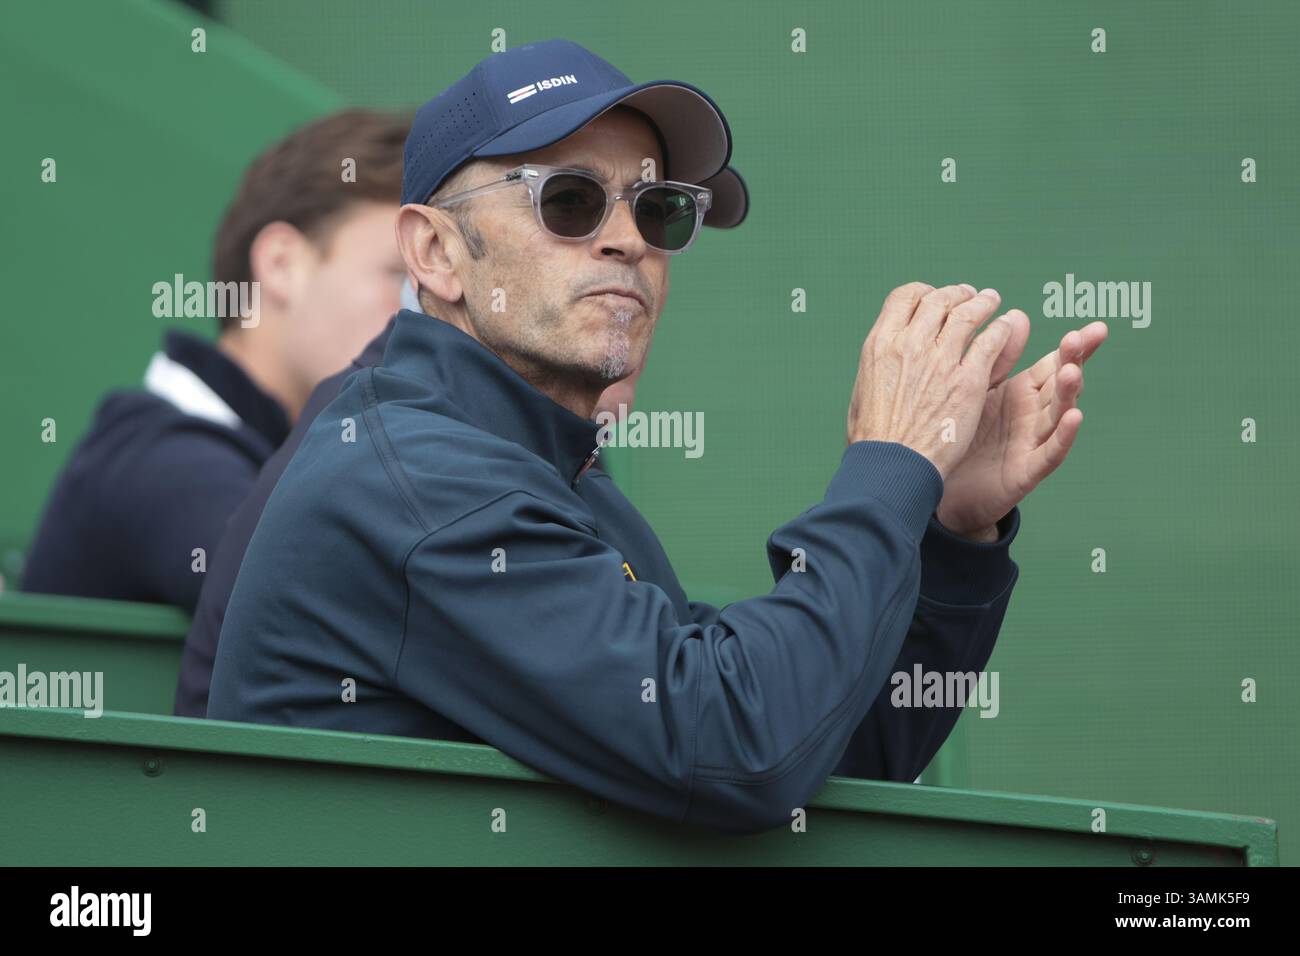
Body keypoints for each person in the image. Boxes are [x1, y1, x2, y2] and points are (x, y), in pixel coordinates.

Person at [208, 39, 1107, 833]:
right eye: (569, 201)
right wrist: (888, 466)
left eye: (658, 210)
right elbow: (740, 744)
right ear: (437, 255)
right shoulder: (414, 476)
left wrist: (945, 531)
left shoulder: (556, 471)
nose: (626, 241)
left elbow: (820, 754)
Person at [21, 109, 409, 612]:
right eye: (400, 276)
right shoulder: (161, 461)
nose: (425, 310)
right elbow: (333, 615)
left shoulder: (269, 451)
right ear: (281, 264)